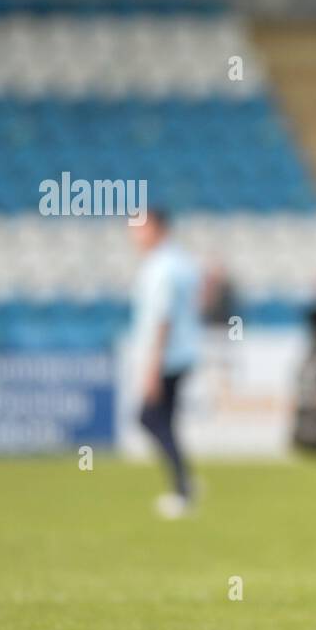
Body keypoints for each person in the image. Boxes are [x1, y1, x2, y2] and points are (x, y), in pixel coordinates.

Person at [129, 207, 202, 519]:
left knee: (149, 418)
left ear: (157, 228)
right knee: (164, 421)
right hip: (183, 352)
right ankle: (184, 482)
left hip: (167, 357)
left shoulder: (160, 268)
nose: (133, 235)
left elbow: (162, 319)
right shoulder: (182, 262)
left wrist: (152, 368)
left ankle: (183, 487)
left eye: (139, 228)